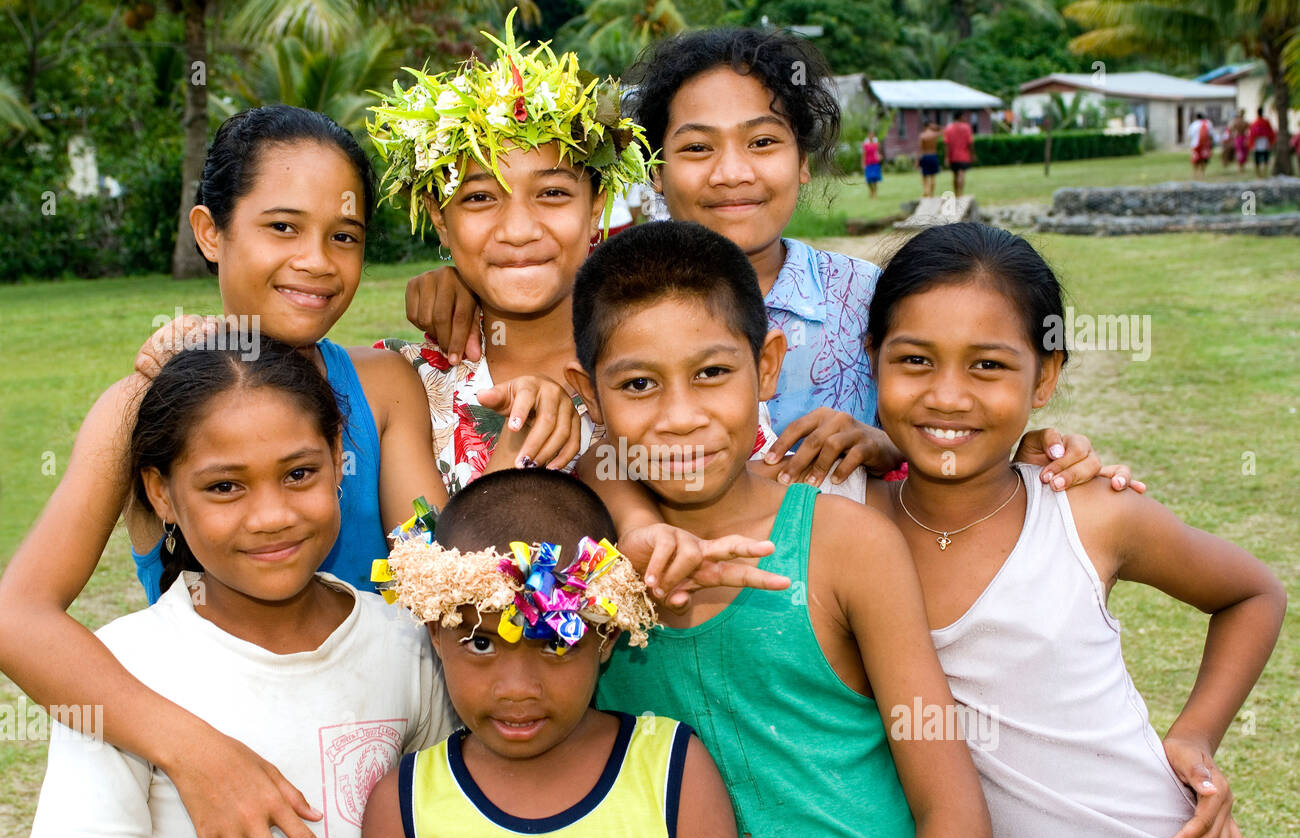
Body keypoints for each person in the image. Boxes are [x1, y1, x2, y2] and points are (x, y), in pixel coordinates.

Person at [0, 105, 455, 838]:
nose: (316, 263)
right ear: (209, 230)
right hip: (212, 768)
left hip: (379, 758)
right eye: (282, 226)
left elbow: (442, 577)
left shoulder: (386, 388)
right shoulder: (144, 406)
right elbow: (17, 615)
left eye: (344, 237)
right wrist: (197, 754)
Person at [401, 27, 1118, 497]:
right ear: (655, 171)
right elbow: (520, 263)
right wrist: (455, 284)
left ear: (803, 162)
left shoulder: (872, 300)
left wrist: (884, 446)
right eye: (696, 147)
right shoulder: (605, 291)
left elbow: (958, 416)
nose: (731, 174)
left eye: (764, 143)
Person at [567, 220, 1008, 838]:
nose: (680, 416)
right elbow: (586, 467)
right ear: (589, 394)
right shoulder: (583, 565)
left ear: (768, 365)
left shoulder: (846, 546)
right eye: (638, 384)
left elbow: (952, 808)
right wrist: (628, 525)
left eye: (711, 373)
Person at [860, 223, 1283, 838]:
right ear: (872, 361)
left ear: (1044, 377)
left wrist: (1196, 737)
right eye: (915, 361)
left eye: (988, 365)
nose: (947, 394)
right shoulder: (840, 524)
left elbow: (1253, 592)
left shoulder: (1086, 512)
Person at [25, 339, 463, 838]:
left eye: (299, 473)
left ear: (341, 459)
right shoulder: (120, 670)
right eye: (225, 486)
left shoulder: (405, 644)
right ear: (163, 495)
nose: (271, 516)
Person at [362, 469, 768, 838]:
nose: (516, 688)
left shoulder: (671, 772)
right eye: (481, 643)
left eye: (555, 641)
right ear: (436, 634)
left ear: (605, 637)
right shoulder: (404, 805)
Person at [367, 12, 656, 495]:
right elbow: (419, 567)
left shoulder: (670, 357)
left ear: (596, 206)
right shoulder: (401, 385)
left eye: (553, 194)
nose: (519, 231)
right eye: (480, 198)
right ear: (439, 217)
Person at [942, 113, 974, 197]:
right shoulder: (966, 127)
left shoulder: (948, 128)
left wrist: (946, 157)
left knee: (955, 175)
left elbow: (947, 144)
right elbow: (970, 142)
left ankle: (956, 193)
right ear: (960, 117)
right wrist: (972, 154)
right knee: (961, 174)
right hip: (964, 155)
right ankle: (960, 193)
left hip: (953, 156)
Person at [918, 118, 943, 199]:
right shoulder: (934, 134)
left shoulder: (922, 135)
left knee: (924, 176)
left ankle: (926, 191)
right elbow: (944, 130)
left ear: (923, 126)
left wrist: (917, 160)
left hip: (925, 156)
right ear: (929, 125)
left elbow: (920, 149)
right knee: (933, 176)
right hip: (933, 155)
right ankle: (931, 194)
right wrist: (935, 126)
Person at [1248, 108, 1275, 178]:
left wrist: (1251, 144)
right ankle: (1264, 173)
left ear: (1257, 113)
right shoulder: (1266, 122)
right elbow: (1271, 132)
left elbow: (1252, 134)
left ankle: (1259, 174)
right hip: (1265, 142)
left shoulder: (1254, 123)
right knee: (1265, 158)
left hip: (1257, 143)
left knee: (1257, 159)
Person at [1189, 112, 1213, 179]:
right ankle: (1202, 173)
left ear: (1196, 117)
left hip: (1195, 144)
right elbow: (1211, 134)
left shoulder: (1193, 124)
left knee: (1195, 159)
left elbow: (1190, 135)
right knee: (1203, 159)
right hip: (1204, 144)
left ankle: (1195, 173)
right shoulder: (1208, 123)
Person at [862, 130, 883, 199]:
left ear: (873, 135)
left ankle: (875, 194)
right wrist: (863, 163)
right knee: (868, 180)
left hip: (875, 163)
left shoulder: (876, 143)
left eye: (872, 135)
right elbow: (863, 155)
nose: (871, 136)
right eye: (870, 135)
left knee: (875, 179)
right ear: (868, 136)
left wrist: (880, 156)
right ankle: (871, 190)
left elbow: (879, 152)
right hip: (868, 163)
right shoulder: (865, 144)